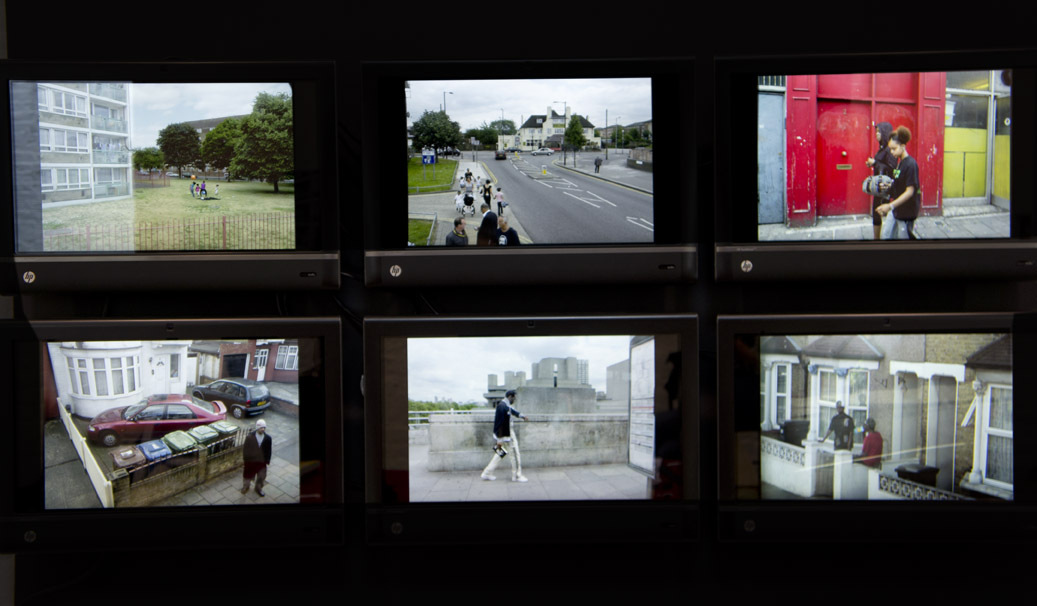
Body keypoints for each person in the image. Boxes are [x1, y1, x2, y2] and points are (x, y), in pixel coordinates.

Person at [876, 125, 920, 240]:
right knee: (886, 235)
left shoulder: (911, 164)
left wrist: (889, 206)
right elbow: (897, 182)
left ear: (903, 146)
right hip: (896, 209)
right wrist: (888, 186)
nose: (891, 152)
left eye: (894, 149)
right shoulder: (900, 163)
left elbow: (910, 191)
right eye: (890, 149)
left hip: (906, 213)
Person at [480, 390, 529, 482]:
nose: (515, 399)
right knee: (515, 454)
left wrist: (521, 416)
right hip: (507, 434)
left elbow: (512, 411)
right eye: (514, 397)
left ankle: (487, 473)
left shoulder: (505, 405)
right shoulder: (502, 407)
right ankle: (517, 476)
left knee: (500, 454)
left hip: (505, 434)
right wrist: (499, 440)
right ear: (510, 396)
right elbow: (500, 423)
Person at [865, 122, 896, 240]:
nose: (876, 134)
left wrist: (875, 163)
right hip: (879, 185)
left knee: (882, 213)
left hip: (885, 187)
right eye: (876, 131)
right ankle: (876, 239)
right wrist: (873, 164)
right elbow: (882, 164)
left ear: (885, 133)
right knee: (877, 213)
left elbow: (892, 169)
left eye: (879, 132)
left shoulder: (890, 149)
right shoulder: (882, 148)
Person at [241, 419, 272, 496]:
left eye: (264, 427)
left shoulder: (268, 438)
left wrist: (267, 461)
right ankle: (246, 486)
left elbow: (269, 450)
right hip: (251, 461)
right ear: (257, 427)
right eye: (261, 427)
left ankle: (258, 488)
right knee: (247, 475)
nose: (263, 429)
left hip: (261, 462)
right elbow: (245, 449)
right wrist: (246, 460)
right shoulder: (250, 437)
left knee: (261, 476)